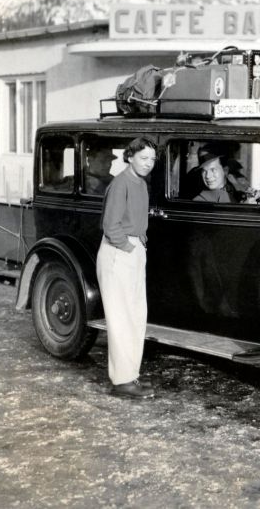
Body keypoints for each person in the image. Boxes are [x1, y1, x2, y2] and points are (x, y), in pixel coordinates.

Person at [97, 137, 157, 399]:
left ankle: (131, 375)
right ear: (130, 156)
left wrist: (139, 245)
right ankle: (121, 381)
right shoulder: (120, 183)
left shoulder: (140, 184)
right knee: (120, 318)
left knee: (135, 316)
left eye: (152, 160)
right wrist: (130, 248)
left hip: (133, 251)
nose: (148, 164)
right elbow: (111, 227)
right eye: (144, 158)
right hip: (118, 253)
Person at [193, 143, 260, 203]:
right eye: (204, 171)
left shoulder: (232, 182)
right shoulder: (200, 200)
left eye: (213, 169)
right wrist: (245, 207)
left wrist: (253, 196)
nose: (207, 176)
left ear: (225, 170)